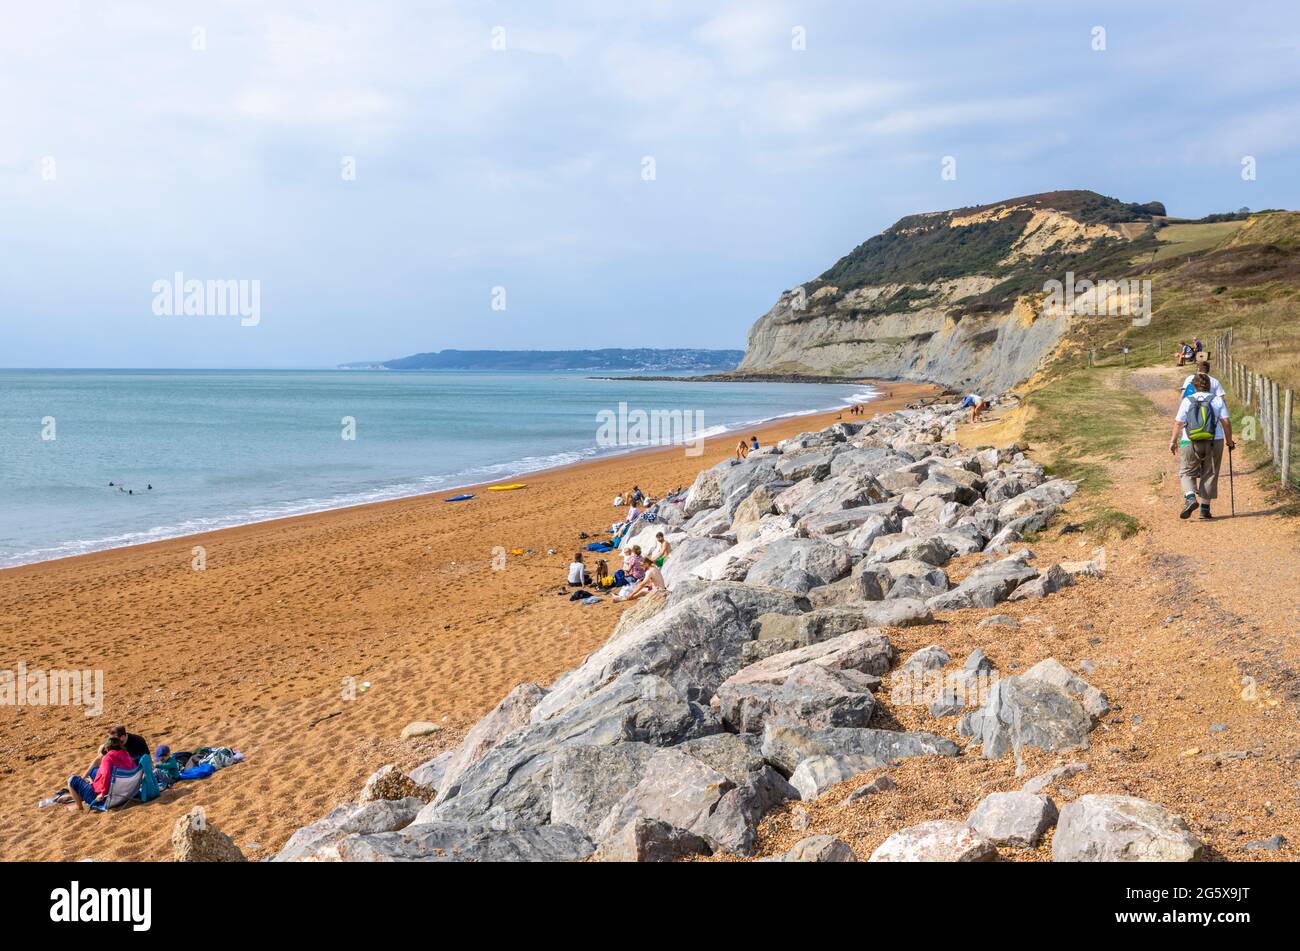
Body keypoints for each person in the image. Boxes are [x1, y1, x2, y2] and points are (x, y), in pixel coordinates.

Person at [1170, 373, 1233, 520]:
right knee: (1209, 473)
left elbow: (1178, 423)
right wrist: (1229, 442)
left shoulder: (1187, 400)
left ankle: (1191, 497)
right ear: (1209, 386)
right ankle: (1205, 510)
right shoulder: (1217, 400)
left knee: (1186, 472)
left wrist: (1173, 441)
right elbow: (1226, 422)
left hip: (1189, 441)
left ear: (1194, 386)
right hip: (1214, 440)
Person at [68, 735, 136, 811]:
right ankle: (87, 788)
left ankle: (79, 807)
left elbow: (106, 774)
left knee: (72, 779)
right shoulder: (126, 755)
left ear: (107, 748)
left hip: (105, 799)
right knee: (94, 771)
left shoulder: (108, 757)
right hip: (125, 792)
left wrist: (103, 793)